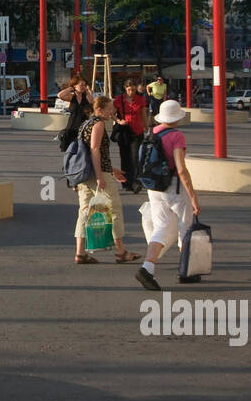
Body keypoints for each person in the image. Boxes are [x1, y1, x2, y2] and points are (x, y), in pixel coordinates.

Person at [134, 100, 201, 291]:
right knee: (185, 227)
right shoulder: (177, 136)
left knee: (161, 227)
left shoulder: (152, 132)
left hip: (154, 186)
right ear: (177, 117)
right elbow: (181, 169)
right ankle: (185, 270)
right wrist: (193, 196)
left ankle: (148, 267)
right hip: (173, 187)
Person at [73, 95, 137, 265]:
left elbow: (89, 152)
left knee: (84, 211)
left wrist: (112, 169)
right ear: (99, 109)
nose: (113, 111)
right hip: (97, 174)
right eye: (109, 108)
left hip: (85, 174)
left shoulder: (85, 124)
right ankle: (121, 251)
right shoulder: (99, 124)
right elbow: (95, 150)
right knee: (114, 210)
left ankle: (80, 253)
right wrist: (101, 176)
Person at [111, 79, 149, 190]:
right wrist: (119, 121)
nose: (131, 92)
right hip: (124, 133)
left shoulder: (140, 99)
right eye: (129, 90)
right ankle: (126, 182)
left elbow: (143, 116)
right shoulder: (119, 99)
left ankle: (136, 182)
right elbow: (112, 114)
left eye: (133, 90)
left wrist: (148, 130)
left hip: (137, 132)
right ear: (125, 88)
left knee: (135, 157)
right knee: (125, 157)